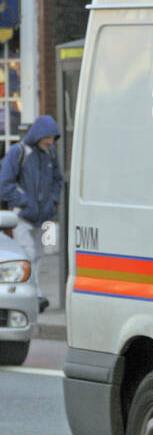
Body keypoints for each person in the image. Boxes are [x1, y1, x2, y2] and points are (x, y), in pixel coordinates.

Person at [0, 114, 63, 312]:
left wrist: (53, 201)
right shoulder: (17, 153)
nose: (50, 141)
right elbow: (5, 184)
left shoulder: (50, 153)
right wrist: (26, 202)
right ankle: (36, 295)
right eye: (48, 137)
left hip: (44, 217)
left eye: (53, 138)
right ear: (39, 134)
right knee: (29, 253)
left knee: (40, 254)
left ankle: (33, 292)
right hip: (22, 217)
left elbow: (57, 180)